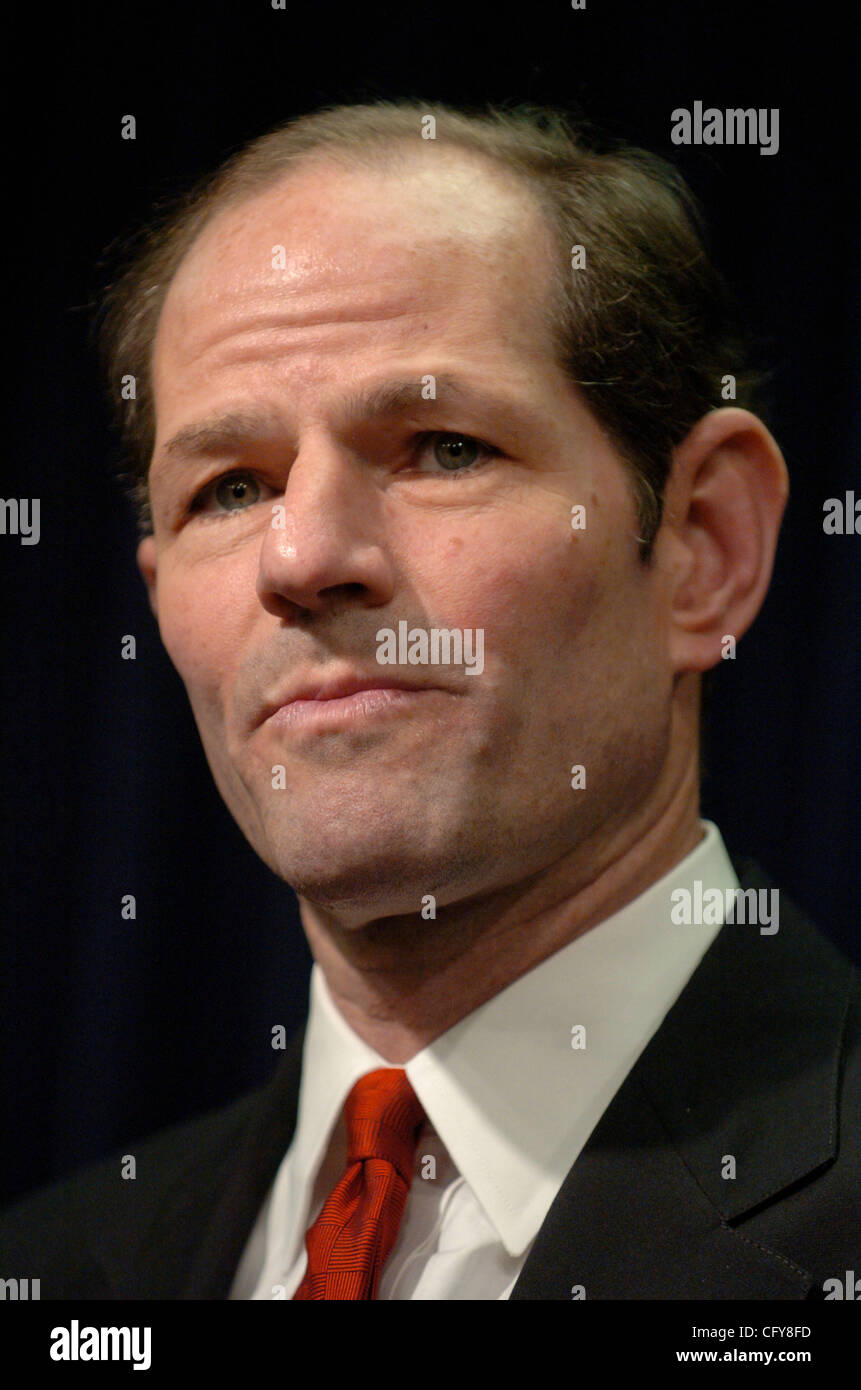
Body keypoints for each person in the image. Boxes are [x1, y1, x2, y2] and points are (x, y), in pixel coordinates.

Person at [2, 100, 858, 1300]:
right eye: (232, 487)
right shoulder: (52, 1271)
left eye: (442, 446)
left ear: (705, 546)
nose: (298, 561)